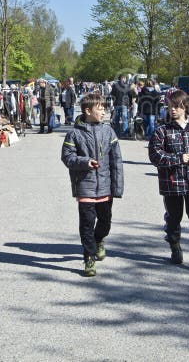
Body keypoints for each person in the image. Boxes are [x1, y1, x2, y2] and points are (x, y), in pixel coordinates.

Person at [148, 89, 189, 271]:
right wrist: (178, 158)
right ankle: (174, 245)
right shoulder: (162, 130)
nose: (173, 110)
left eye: (177, 107)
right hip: (171, 183)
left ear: (185, 107)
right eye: (170, 107)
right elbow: (155, 155)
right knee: (174, 218)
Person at [61, 92, 124, 277]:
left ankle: (99, 241)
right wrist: (84, 162)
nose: (103, 111)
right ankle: (89, 256)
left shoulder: (109, 131)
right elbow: (67, 157)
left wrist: (117, 187)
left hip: (105, 187)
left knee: (105, 223)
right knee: (87, 223)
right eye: (100, 108)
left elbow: (117, 161)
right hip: (85, 186)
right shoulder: (73, 133)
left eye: (104, 108)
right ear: (88, 111)